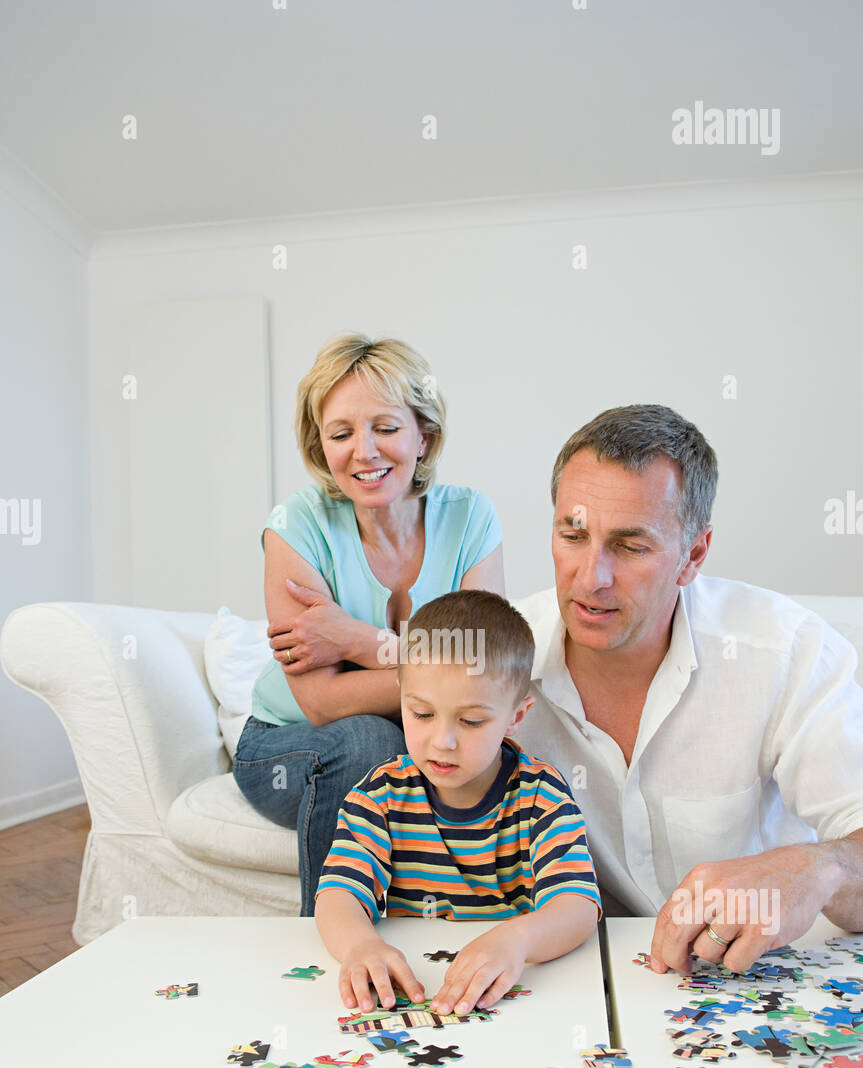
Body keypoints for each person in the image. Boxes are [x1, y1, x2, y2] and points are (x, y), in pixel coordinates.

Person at [516, 404, 863, 975]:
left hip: (752, 984)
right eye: (573, 535)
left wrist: (818, 869)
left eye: (631, 547)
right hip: (569, 981)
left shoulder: (786, 651)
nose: (591, 577)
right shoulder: (496, 665)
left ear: (693, 555)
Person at [233, 334, 505, 916]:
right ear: (321, 445)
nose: (364, 451)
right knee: (371, 741)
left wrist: (357, 640)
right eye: (341, 434)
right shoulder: (295, 525)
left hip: (425, 734)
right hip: (283, 743)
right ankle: (332, 944)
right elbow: (325, 703)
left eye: (385, 427)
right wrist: (443, 667)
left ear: (422, 435)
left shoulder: (471, 516)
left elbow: (488, 671)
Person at [314, 590, 602, 1017]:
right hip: (420, 991)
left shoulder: (541, 795)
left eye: (470, 721)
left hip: (514, 995)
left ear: (516, 716)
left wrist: (516, 940)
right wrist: (361, 944)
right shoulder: (381, 795)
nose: (442, 741)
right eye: (422, 714)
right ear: (402, 694)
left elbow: (577, 905)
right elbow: (338, 893)